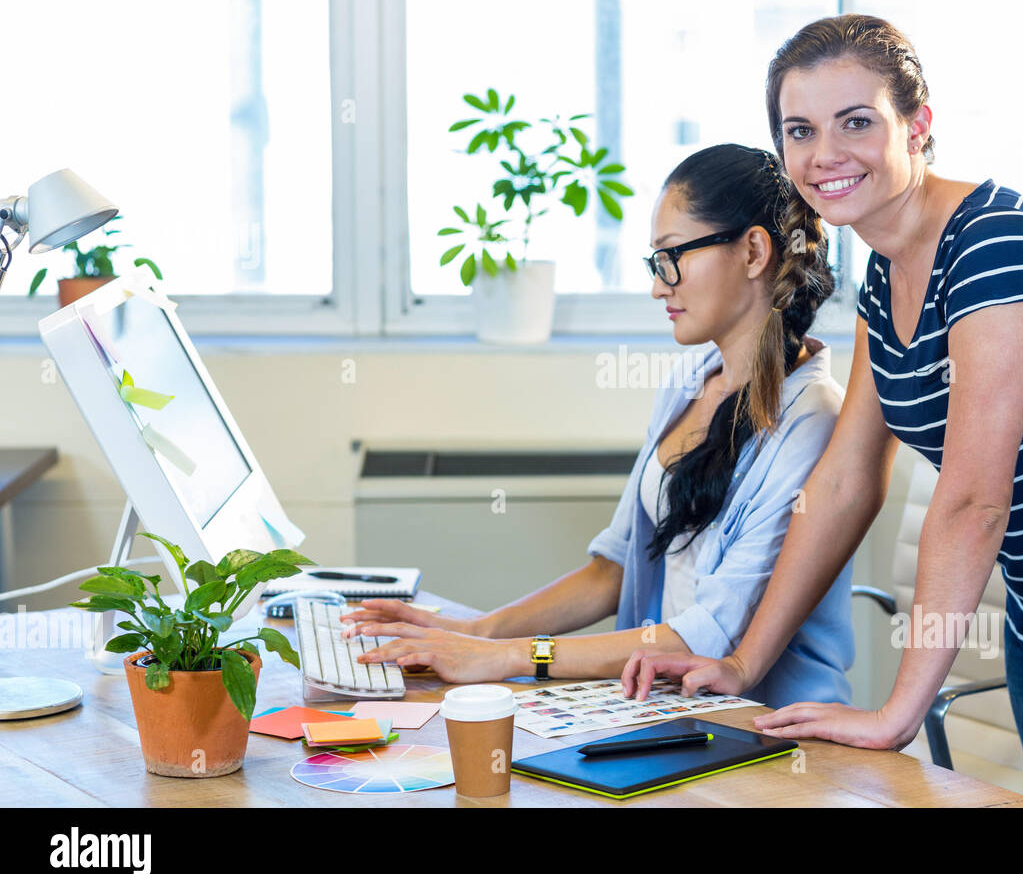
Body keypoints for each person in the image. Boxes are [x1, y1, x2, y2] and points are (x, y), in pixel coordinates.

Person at [621, 15, 1023, 807]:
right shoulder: (884, 274)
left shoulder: (996, 246)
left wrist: (896, 717)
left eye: (857, 122)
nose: (824, 155)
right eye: (800, 130)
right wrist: (744, 664)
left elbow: (975, 499)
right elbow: (847, 479)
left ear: (917, 125)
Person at [341, 142, 854, 708]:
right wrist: (477, 632)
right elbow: (613, 568)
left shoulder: (812, 420)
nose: (659, 285)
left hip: (763, 726)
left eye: (671, 256)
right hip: (664, 705)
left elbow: (706, 637)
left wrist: (513, 656)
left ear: (754, 251)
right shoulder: (692, 380)